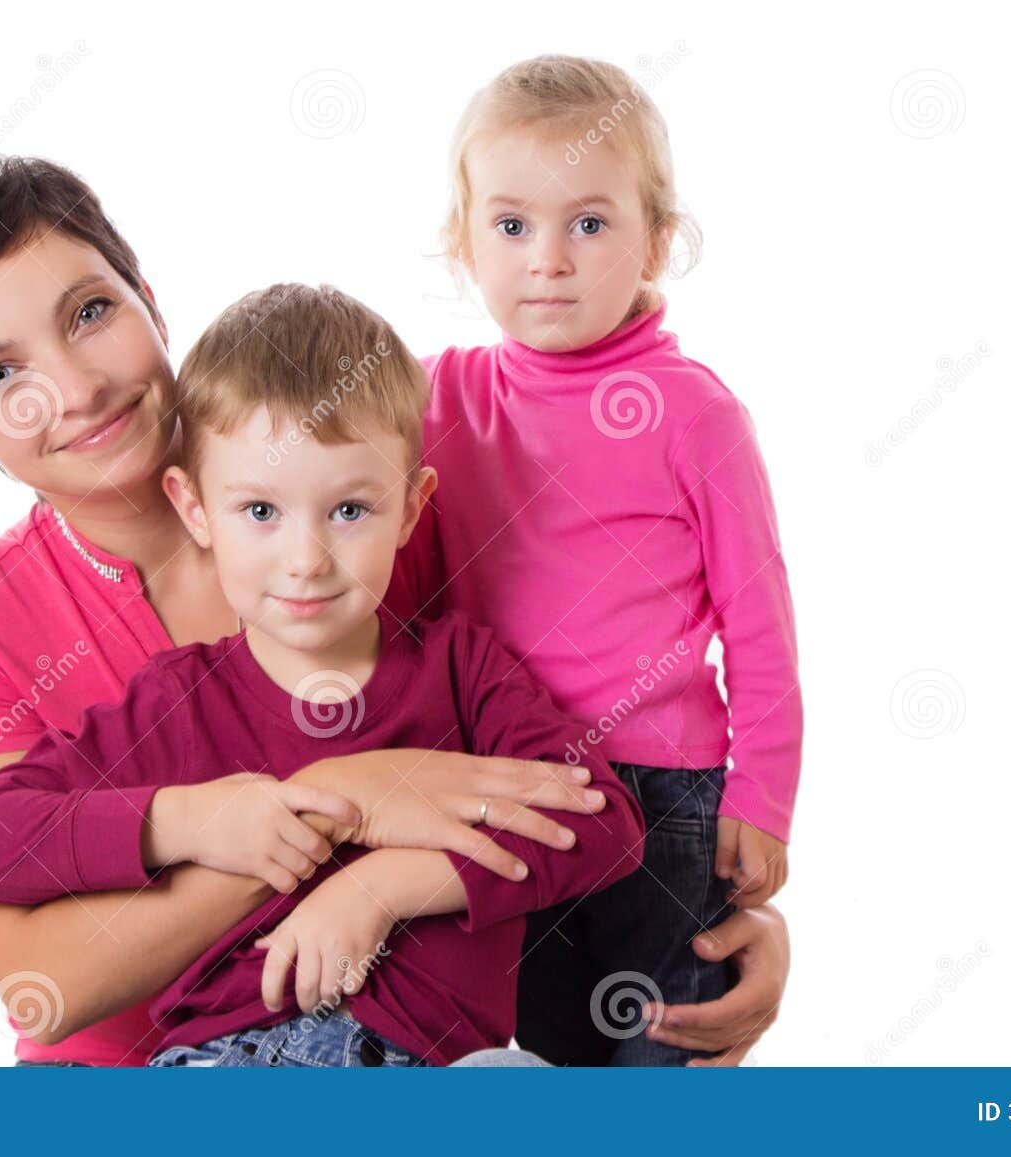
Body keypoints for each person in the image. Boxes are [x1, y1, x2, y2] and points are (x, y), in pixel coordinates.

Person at [0, 154, 789, 1068]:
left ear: (147, 294)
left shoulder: (357, 450)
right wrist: (344, 801)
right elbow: (37, 977)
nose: (77, 385)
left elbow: (611, 692)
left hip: (423, 1051)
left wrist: (692, 922)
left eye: (91, 313)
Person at [0, 284, 646, 1066]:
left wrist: (382, 887)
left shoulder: (463, 670)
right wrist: (185, 819)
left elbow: (604, 825)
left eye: (349, 511)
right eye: (261, 513)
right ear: (196, 509)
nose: (306, 561)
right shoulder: (178, 704)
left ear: (410, 509)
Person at [393, 54, 805, 1065]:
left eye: (589, 222)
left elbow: (759, 621)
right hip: (503, 779)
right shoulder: (440, 395)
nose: (547, 259)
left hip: (664, 791)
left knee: (657, 1046)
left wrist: (761, 796)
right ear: (463, 241)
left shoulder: (695, 414)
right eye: (509, 225)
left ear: (658, 240)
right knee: (538, 1047)